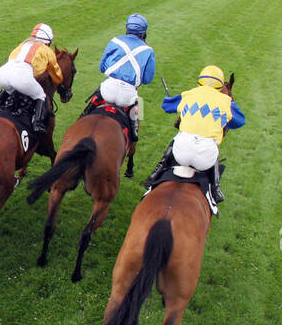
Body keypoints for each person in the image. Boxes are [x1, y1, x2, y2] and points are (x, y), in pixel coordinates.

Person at [147, 65, 245, 204]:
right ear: (220, 85)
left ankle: (156, 172)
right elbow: (240, 121)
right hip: (205, 158)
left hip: (181, 153)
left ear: (200, 81)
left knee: (178, 138)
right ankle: (216, 190)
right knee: (213, 147)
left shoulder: (189, 94)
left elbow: (167, 106)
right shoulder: (227, 102)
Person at [0, 23, 63, 136]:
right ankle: (37, 123)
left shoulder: (23, 44)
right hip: (21, 76)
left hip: (2, 73)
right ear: (48, 41)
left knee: (8, 90)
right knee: (40, 95)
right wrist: (59, 80)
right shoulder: (47, 50)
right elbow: (56, 74)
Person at [96, 13, 155, 141]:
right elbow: (147, 79)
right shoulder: (149, 51)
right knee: (139, 108)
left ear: (127, 28)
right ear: (144, 32)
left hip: (108, 89)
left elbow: (102, 67)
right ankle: (134, 134)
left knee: (94, 98)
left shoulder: (114, 41)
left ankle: (83, 115)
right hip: (128, 95)